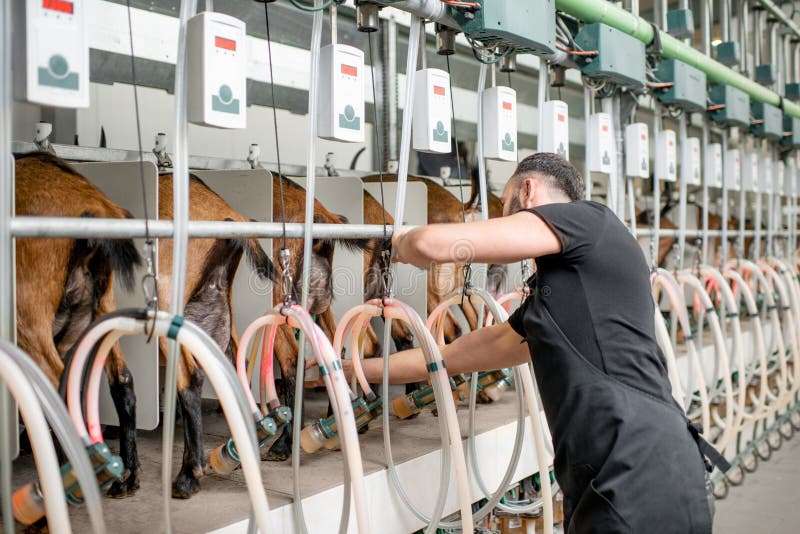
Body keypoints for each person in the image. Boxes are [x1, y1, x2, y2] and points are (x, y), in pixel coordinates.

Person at [347, 153, 717, 533]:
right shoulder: (553, 303)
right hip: (620, 476)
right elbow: (450, 357)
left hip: (638, 469)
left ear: (528, 191)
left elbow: (430, 243)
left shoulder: (591, 220)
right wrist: (350, 369)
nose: (502, 221)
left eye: (504, 208)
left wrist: (404, 243)